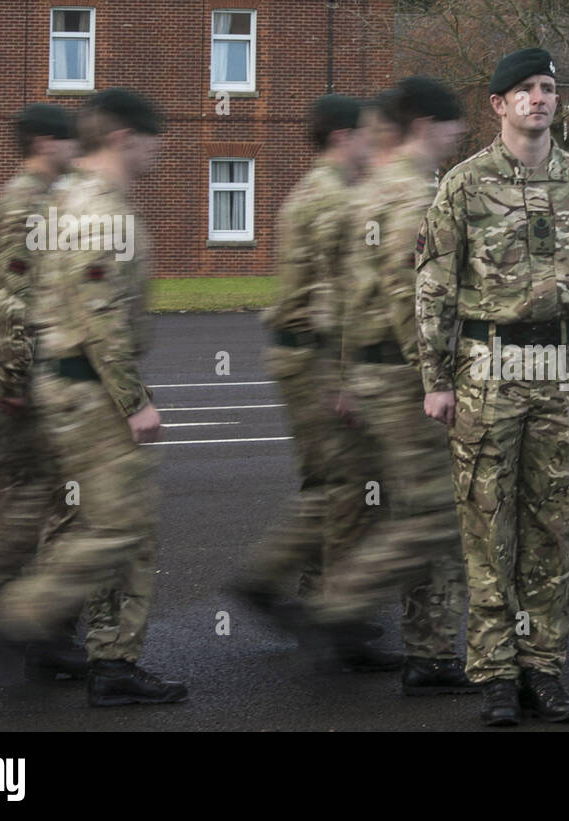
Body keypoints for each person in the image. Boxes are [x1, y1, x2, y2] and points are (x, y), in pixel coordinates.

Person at [415, 47, 569, 725]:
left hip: (561, 374)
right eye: (524, 90)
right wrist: (435, 378)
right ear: (499, 105)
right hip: (488, 372)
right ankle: (495, 673)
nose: (539, 98)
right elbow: (433, 288)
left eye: (547, 88)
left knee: (554, 528)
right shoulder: (465, 186)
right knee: (487, 527)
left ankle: (544, 670)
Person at [0, 88, 188, 706]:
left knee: (86, 519)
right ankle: (26, 616)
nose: (161, 150)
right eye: (156, 138)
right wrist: (135, 401)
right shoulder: (101, 211)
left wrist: (17, 371)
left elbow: (13, 295)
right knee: (123, 527)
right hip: (89, 384)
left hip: (66, 379)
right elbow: (99, 316)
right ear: (127, 138)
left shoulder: (65, 198)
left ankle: (95, 655)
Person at [230, 94, 398, 672]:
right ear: (341, 138)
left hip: (303, 354)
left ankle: (320, 603)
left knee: (334, 482)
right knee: (346, 486)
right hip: (316, 358)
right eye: (366, 134)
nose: (373, 145)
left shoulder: (319, 189)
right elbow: (336, 298)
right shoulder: (333, 198)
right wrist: (345, 378)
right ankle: (281, 587)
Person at [322, 76, 476, 695]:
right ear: (424, 126)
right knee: (437, 515)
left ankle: (432, 653)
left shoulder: (369, 190)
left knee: (423, 511)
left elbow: (345, 294)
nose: (458, 135)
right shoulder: (414, 193)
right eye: (451, 124)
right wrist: (435, 375)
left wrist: (345, 375)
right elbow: (405, 293)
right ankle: (337, 607)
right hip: (405, 373)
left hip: (373, 368)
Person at [0, 103, 87, 681]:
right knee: (43, 491)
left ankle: (10, 610)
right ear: (44, 142)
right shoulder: (25, 201)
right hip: (16, 361)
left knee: (39, 489)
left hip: (21, 358)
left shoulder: (37, 196)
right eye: (66, 142)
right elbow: (12, 296)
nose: (73, 151)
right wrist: (14, 379)